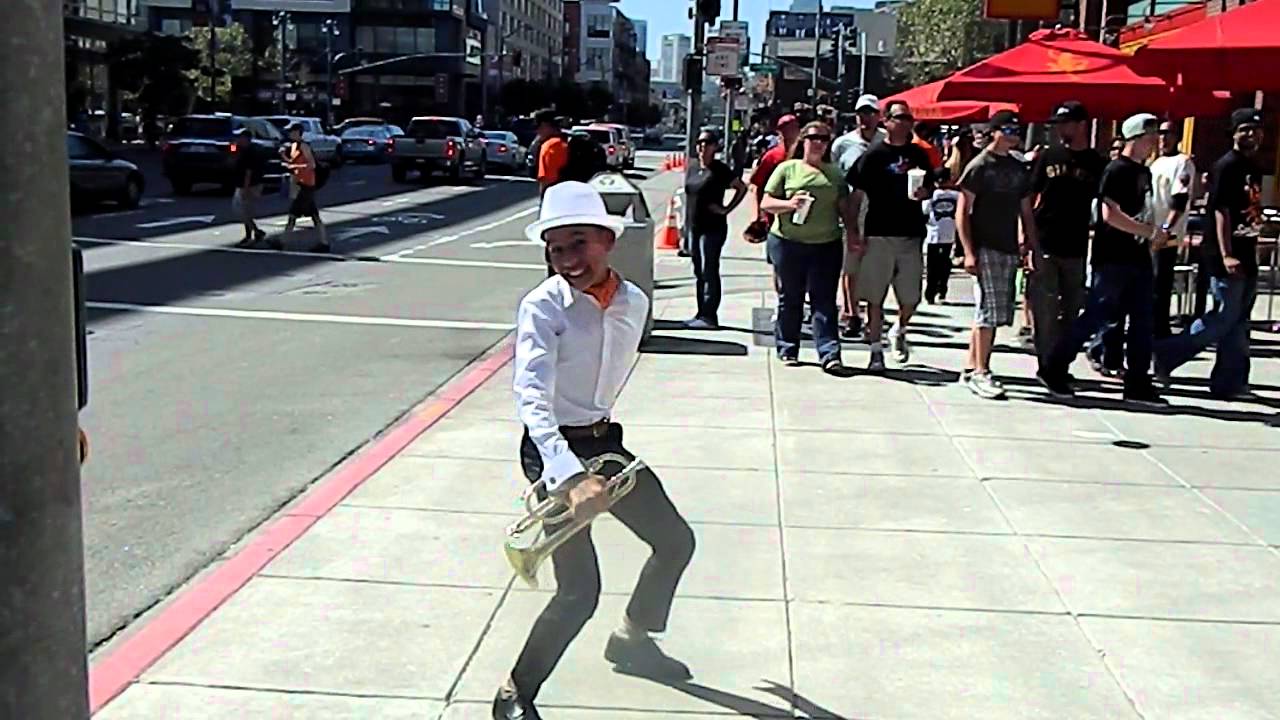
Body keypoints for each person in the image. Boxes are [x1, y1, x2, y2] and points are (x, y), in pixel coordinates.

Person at [494, 181, 697, 720]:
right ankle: (515, 693)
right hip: (552, 449)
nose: (568, 259)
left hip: (604, 440)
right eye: (556, 249)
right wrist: (567, 475)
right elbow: (531, 398)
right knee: (580, 591)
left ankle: (632, 638)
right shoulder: (542, 307)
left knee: (674, 541)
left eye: (578, 243)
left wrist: (597, 452)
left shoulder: (634, 302)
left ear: (607, 240)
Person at [1038, 113, 1168, 405]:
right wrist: (1149, 232)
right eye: (1149, 138)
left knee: (1143, 319)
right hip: (1113, 256)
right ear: (1134, 139)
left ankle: (1137, 380)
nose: (1153, 143)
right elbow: (1110, 214)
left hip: (1138, 256)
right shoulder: (1116, 170)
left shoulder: (1143, 172)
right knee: (1098, 313)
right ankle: (1055, 365)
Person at [1154, 108, 1264, 400]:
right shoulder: (1226, 166)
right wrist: (1227, 254)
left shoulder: (1252, 166)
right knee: (1223, 317)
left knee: (1239, 321)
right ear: (1234, 133)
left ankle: (1230, 382)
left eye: (1255, 129)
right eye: (1245, 130)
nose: (1251, 135)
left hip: (1247, 250)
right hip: (1224, 254)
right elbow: (1220, 211)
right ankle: (1167, 353)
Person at [760, 120, 859, 375]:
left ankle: (829, 353)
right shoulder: (788, 169)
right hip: (788, 242)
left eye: (824, 139)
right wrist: (790, 204)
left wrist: (854, 234)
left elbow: (845, 208)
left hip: (826, 244)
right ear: (803, 140)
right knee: (790, 297)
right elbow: (766, 202)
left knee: (824, 300)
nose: (818, 143)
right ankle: (787, 346)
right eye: (813, 137)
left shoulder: (834, 174)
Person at [846, 100, 934, 371]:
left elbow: (931, 186)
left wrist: (925, 193)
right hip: (879, 232)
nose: (905, 122)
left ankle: (899, 327)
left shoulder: (919, 155)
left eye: (909, 118)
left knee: (911, 297)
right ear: (887, 121)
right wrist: (852, 231)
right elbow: (856, 195)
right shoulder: (874, 156)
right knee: (875, 297)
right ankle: (875, 350)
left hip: (911, 233)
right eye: (899, 118)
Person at [955, 111, 1037, 399]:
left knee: (995, 310)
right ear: (995, 132)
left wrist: (1030, 246)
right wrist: (967, 251)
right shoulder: (980, 165)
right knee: (988, 310)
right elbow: (962, 211)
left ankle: (970, 367)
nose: (1014, 134)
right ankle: (981, 371)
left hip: (1009, 246)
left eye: (1018, 128)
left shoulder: (1018, 167)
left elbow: (1026, 210)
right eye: (1009, 129)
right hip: (985, 244)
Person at [1028, 101, 1107, 372]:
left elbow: (1106, 204)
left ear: (1082, 125)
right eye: (1057, 124)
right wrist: (1026, 240)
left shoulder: (1097, 163)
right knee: (1046, 311)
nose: (1060, 129)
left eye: (1065, 123)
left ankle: (1061, 362)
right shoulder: (1049, 156)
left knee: (1073, 310)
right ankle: (1047, 366)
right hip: (1045, 241)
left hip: (1076, 245)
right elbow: (1027, 198)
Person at [831, 94, 886, 339]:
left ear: (879, 116)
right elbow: (835, 178)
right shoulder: (842, 144)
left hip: (882, 211)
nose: (866, 118)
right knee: (851, 264)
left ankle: (873, 314)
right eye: (861, 113)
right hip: (852, 210)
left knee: (875, 267)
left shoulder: (887, 141)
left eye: (870, 113)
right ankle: (852, 313)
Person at [684, 129, 748, 329]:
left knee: (708, 269)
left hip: (713, 227)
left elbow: (741, 187)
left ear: (715, 147)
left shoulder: (720, 170)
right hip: (694, 226)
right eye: (700, 143)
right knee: (698, 271)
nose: (703, 147)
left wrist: (726, 209)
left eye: (708, 143)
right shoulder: (693, 168)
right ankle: (700, 312)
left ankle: (710, 316)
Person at [1149, 119, 1197, 339]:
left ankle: (1160, 332)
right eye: (1159, 133)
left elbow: (1179, 199)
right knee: (1148, 285)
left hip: (1166, 235)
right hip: (1148, 231)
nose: (1163, 138)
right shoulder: (1155, 163)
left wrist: (1166, 229)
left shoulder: (1182, 162)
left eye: (1168, 134)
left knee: (1160, 285)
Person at [749, 114, 802, 292]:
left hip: (801, 217)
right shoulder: (772, 157)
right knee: (779, 263)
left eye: (793, 128)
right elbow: (756, 185)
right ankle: (782, 299)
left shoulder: (804, 155)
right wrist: (758, 215)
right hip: (774, 220)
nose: (790, 132)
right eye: (785, 129)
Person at [277, 122, 329, 253]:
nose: (289, 134)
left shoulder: (304, 146)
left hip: (306, 185)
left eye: (291, 131)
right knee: (314, 215)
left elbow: (311, 165)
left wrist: (293, 167)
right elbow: (293, 163)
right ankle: (324, 242)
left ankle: (283, 242)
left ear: (298, 133)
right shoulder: (294, 146)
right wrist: (284, 157)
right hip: (301, 184)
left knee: (293, 215)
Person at [923, 167, 960, 304]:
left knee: (932, 266)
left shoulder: (931, 196)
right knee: (945, 265)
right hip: (949, 235)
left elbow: (924, 210)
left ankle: (930, 293)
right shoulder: (956, 196)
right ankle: (942, 292)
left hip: (933, 234)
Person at [231, 129, 267, 248]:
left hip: (249, 186)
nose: (237, 140)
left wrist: (246, 189)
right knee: (244, 212)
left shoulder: (250, 152)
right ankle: (253, 233)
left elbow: (248, 172)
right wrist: (233, 146)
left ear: (246, 138)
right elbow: (233, 154)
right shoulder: (245, 149)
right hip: (246, 184)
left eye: (239, 138)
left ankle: (252, 234)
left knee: (244, 212)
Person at [534, 109, 569, 195]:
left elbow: (547, 180)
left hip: (558, 199)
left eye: (537, 127)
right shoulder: (567, 142)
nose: (537, 131)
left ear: (544, 125)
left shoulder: (549, 146)